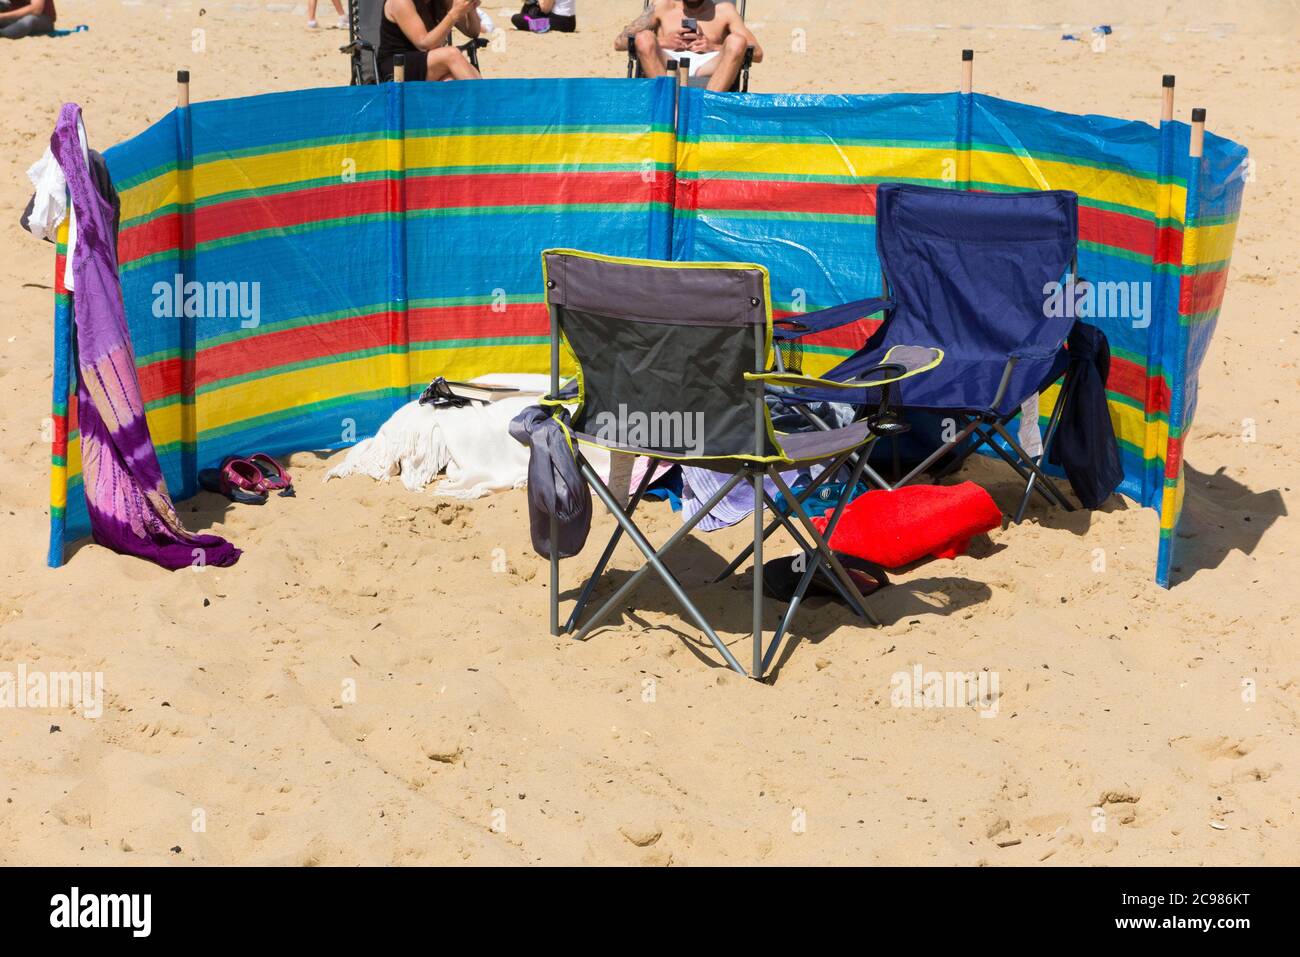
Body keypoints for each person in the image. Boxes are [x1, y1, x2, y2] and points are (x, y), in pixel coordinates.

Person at [615, 0, 761, 92]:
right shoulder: (662, 6)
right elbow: (619, 42)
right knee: (643, 37)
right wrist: (664, 41)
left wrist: (714, 46)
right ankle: (671, 107)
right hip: (669, 62)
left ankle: (705, 107)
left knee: (737, 41)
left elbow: (757, 53)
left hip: (708, 64)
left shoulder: (724, 11)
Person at [379, 0, 483, 82]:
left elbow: (473, 31)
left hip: (427, 61)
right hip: (398, 64)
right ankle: (487, 104)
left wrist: (470, 6)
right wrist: (454, 14)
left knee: (451, 80)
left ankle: (486, 104)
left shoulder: (440, 2)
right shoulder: (400, 2)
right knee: (452, 54)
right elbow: (423, 44)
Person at [510, 0, 576, 33]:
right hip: (569, 22)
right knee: (532, 6)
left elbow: (545, 9)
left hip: (560, 24)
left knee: (517, 19)